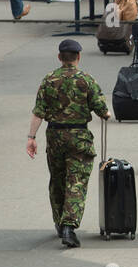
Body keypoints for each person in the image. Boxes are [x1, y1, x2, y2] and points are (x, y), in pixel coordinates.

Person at [26, 39, 110, 248]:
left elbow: (39, 112)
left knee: (58, 180)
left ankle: (58, 220)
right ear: (78, 57)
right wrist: (105, 113)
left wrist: (31, 137)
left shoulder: (49, 80)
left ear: (59, 58)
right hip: (79, 136)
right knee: (77, 182)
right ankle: (69, 227)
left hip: (54, 136)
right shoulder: (87, 80)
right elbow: (102, 109)